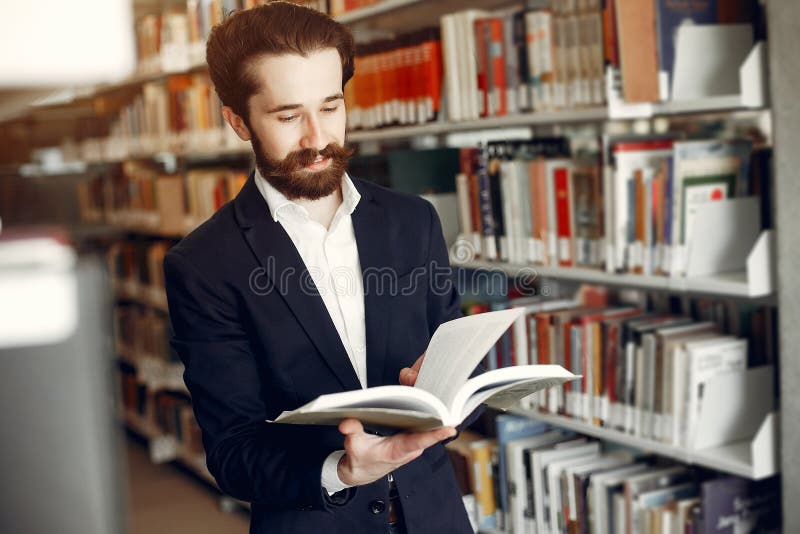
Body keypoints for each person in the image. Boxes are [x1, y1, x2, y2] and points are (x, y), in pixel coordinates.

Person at [164, 2, 479, 533]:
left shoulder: (413, 221)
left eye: (331, 107)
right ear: (238, 121)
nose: (317, 138)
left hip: (436, 518)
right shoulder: (203, 265)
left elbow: (456, 377)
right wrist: (342, 470)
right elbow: (233, 452)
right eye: (289, 117)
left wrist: (447, 391)